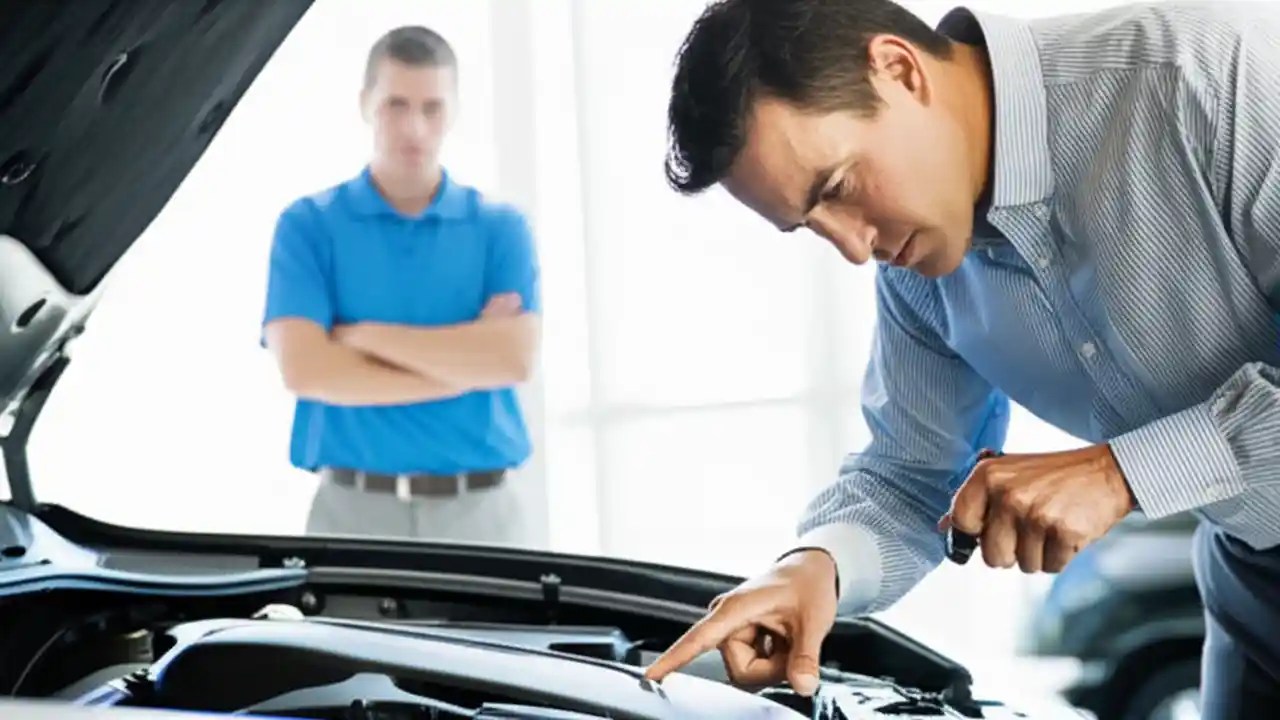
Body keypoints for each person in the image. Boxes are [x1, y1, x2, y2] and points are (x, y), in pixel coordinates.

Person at [643, 1, 1280, 717]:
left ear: (898, 69)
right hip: (1253, 587)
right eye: (811, 227)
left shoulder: (1209, 76)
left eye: (840, 188)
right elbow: (913, 478)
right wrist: (813, 570)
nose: (855, 248)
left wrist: (1121, 473)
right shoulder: (915, 268)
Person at [260, 26, 543, 546]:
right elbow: (306, 369)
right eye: (396, 104)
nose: (414, 127)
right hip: (350, 516)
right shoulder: (308, 225)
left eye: (432, 108)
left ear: (454, 111)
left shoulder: (501, 228)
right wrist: (465, 364)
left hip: (485, 520)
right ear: (366, 103)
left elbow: (513, 361)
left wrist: (361, 336)